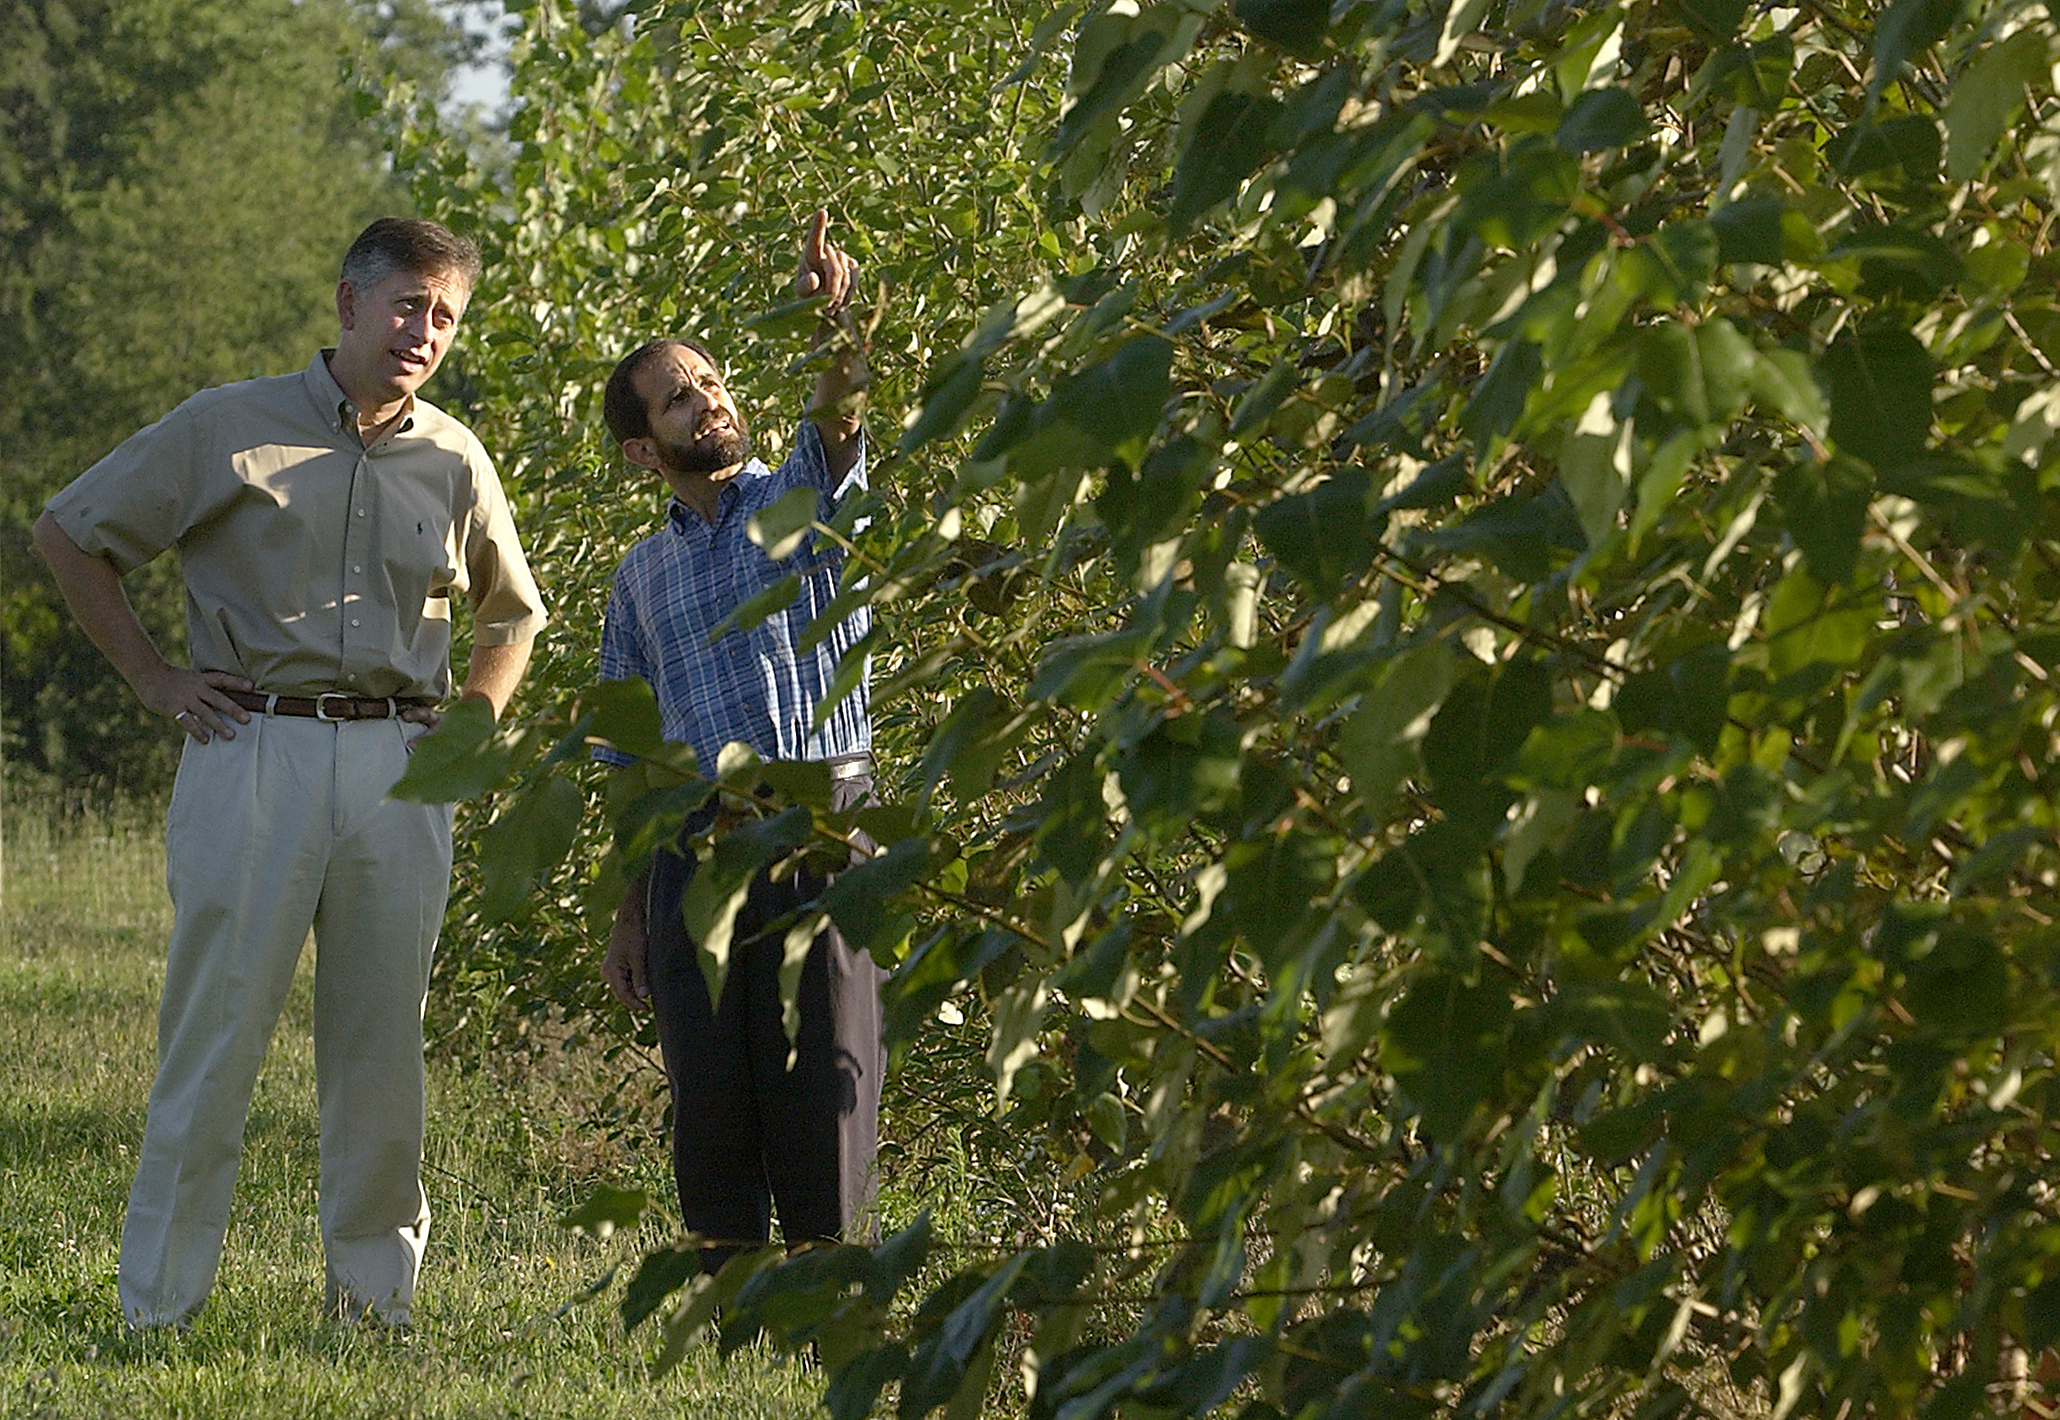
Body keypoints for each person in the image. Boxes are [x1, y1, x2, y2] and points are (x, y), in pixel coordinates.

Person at [30, 217, 547, 1330]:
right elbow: (69, 534)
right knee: (214, 1032)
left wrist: (474, 721)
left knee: (382, 1047)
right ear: (349, 304)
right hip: (249, 746)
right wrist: (155, 680)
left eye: (444, 316)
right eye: (406, 304)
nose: (423, 332)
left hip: (399, 765)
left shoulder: (454, 457)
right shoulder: (226, 425)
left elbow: (513, 613)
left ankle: (373, 1307)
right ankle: (158, 1307)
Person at [596, 208, 882, 1271]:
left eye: (711, 383)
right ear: (643, 449)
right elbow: (627, 760)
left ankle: (830, 1315)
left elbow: (841, 422)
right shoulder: (639, 578)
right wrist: (631, 909)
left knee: (827, 1083)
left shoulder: (801, 501)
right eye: (680, 398)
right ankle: (734, 1325)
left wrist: (832, 325)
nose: (708, 401)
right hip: (691, 852)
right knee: (712, 1100)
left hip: (819, 826)